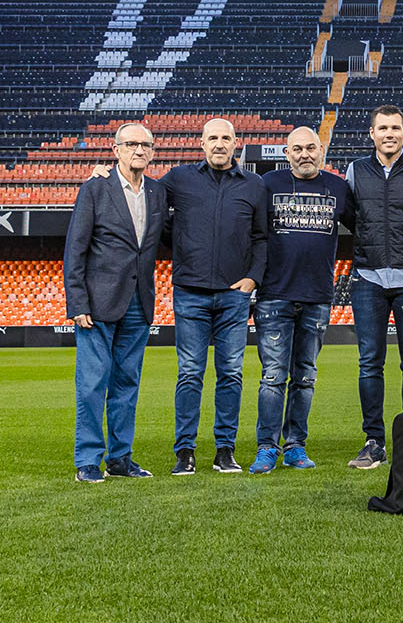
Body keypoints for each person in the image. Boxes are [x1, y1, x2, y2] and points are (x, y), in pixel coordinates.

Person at [158, 117, 269, 475]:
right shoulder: (178, 179)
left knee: (231, 374)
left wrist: (253, 277)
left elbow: (262, 238)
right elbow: (144, 198)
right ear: (201, 144)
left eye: (225, 138)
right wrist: (104, 170)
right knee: (190, 373)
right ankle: (185, 452)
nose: (219, 144)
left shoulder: (254, 185)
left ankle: (225, 450)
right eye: (212, 138)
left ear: (236, 143)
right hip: (189, 293)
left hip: (234, 296)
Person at [63, 122, 167, 482]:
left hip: (139, 302)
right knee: (92, 383)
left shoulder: (157, 192)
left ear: (153, 151)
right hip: (97, 302)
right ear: (116, 149)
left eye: (145, 145)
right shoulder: (95, 188)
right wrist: (77, 303)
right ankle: (88, 460)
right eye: (131, 144)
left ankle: (120, 459)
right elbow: (75, 248)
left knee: (127, 384)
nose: (139, 150)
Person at [250, 126, 352, 474]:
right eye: (297, 149)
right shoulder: (267, 185)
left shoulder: (339, 187)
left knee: (305, 376)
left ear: (321, 150)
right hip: (273, 296)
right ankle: (267, 447)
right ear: (286, 153)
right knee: (273, 376)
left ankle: (295, 445)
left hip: (317, 297)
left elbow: (368, 225)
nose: (304, 154)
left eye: (311, 148)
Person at [345, 104, 403, 469]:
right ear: (372, 133)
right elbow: (353, 217)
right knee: (370, 362)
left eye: (395, 128)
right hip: (368, 277)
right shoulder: (356, 170)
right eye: (382, 128)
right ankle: (373, 442)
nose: (389, 133)